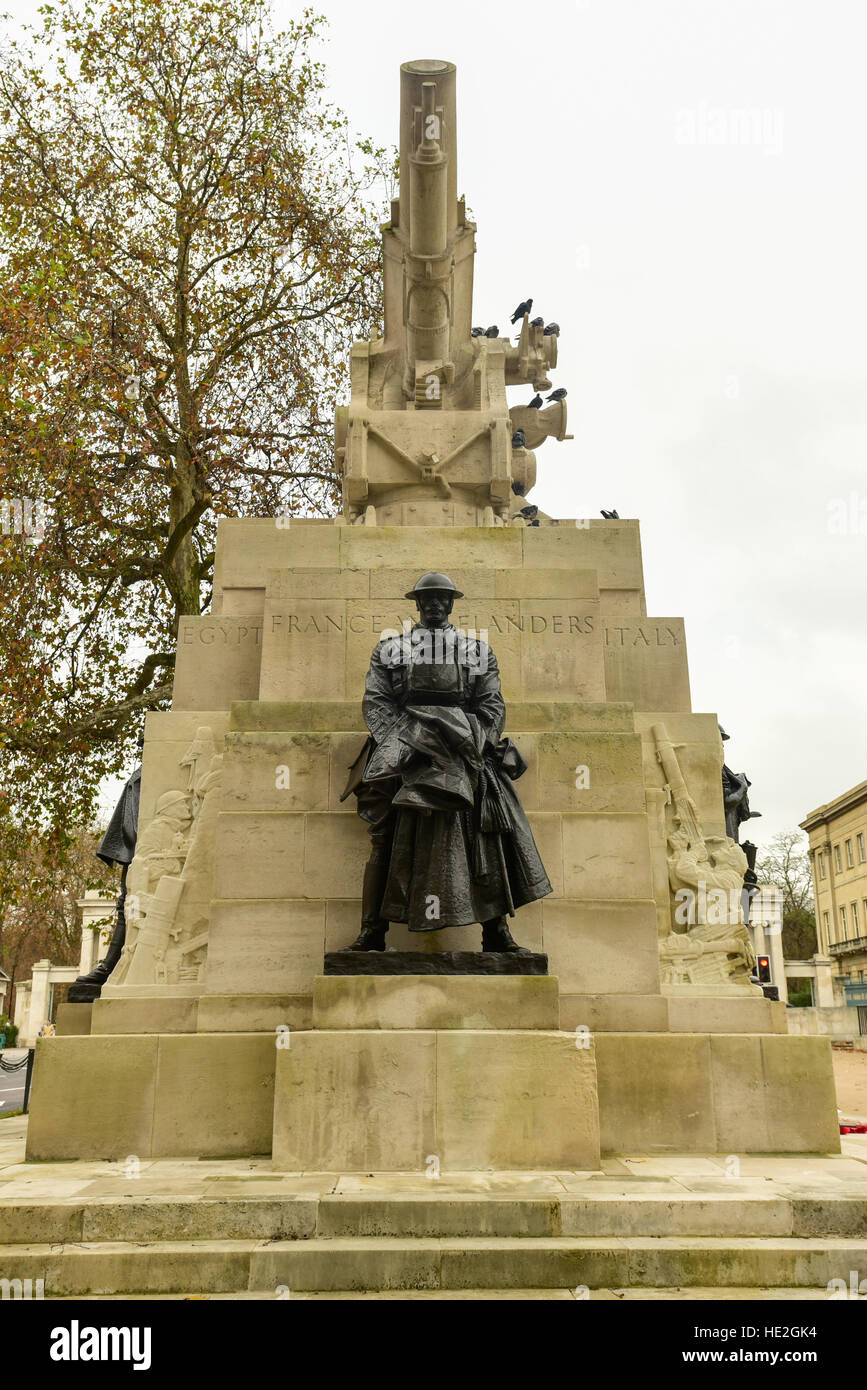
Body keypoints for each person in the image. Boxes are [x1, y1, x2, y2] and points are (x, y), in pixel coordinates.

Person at [341, 572, 551, 952]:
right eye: (428, 598)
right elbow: (377, 701)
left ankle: (496, 931)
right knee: (383, 841)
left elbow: (491, 704)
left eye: (442, 598)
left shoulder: (477, 651)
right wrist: (405, 744)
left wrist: (470, 742)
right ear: (417, 604)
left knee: (487, 832)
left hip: (463, 749)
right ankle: (372, 932)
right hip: (403, 753)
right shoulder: (391, 648)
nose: (436, 604)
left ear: (452, 603)